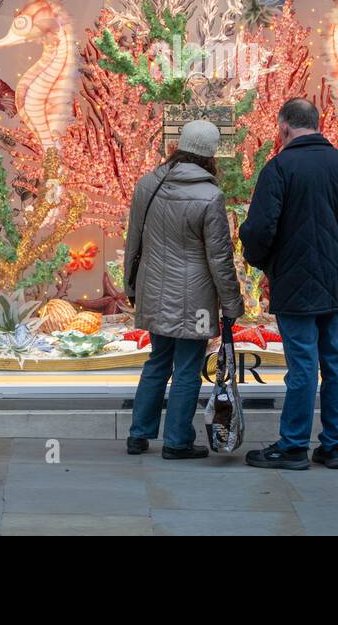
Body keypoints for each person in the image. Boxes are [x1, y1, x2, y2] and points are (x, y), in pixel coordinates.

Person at [238, 98, 338, 470]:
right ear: (318, 123)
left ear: (284, 127)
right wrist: (336, 252)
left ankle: (294, 444)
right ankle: (334, 445)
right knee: (334, 361)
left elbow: (260, 230)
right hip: (333, 282)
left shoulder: (279, 169)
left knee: (302, 364)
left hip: (294, 283)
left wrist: (265, 261)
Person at [124, 120, 244, 460]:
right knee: (188, 366)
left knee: (158, 360)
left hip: (154, 287)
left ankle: (138, 434)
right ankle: (176, 441)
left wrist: (130, 285)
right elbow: (220, 258)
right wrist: (232, 305)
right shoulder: (211, 195)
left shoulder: (148, 185)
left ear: (179, 145)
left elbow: (134, 240)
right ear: (212, 155)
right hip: (197, 297)